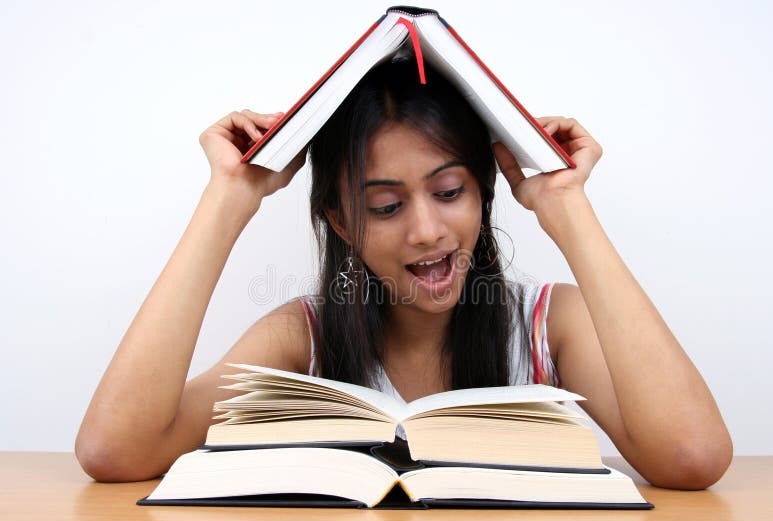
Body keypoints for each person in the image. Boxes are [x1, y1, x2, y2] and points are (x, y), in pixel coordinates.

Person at [75, 59, 732, 489]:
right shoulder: (301, 337)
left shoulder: (548, 326)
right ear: (340, 219)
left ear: (484, 193)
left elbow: (692, 458)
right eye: (386, 206)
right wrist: (229, 197)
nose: (425, 230)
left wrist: (566, 207)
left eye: (449, 191)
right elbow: (116, 451)